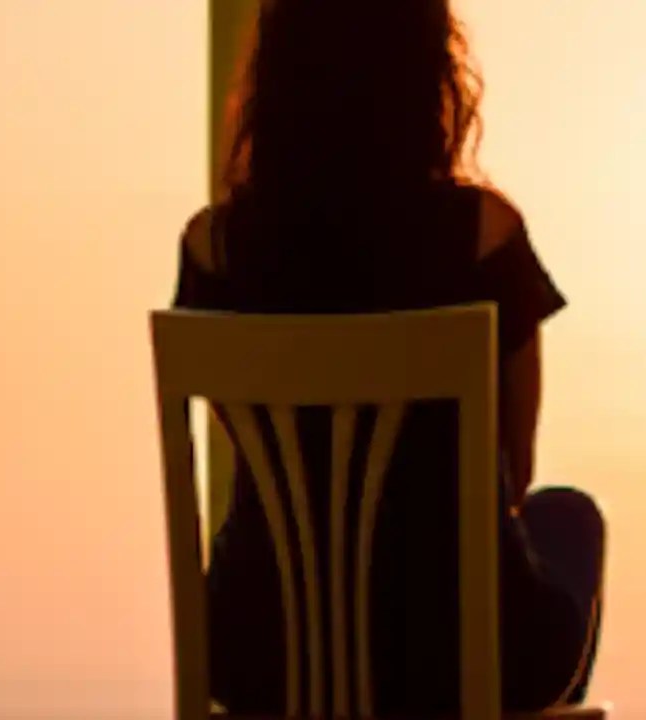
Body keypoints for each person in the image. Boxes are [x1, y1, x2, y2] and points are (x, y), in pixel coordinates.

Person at [170, 1, 605, 715]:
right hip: (458, 657)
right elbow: (515, 472)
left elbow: (260, 455)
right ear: (432, 69)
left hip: (259, 656)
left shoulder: (212, 249)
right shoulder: (485, 238)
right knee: (569, 518)